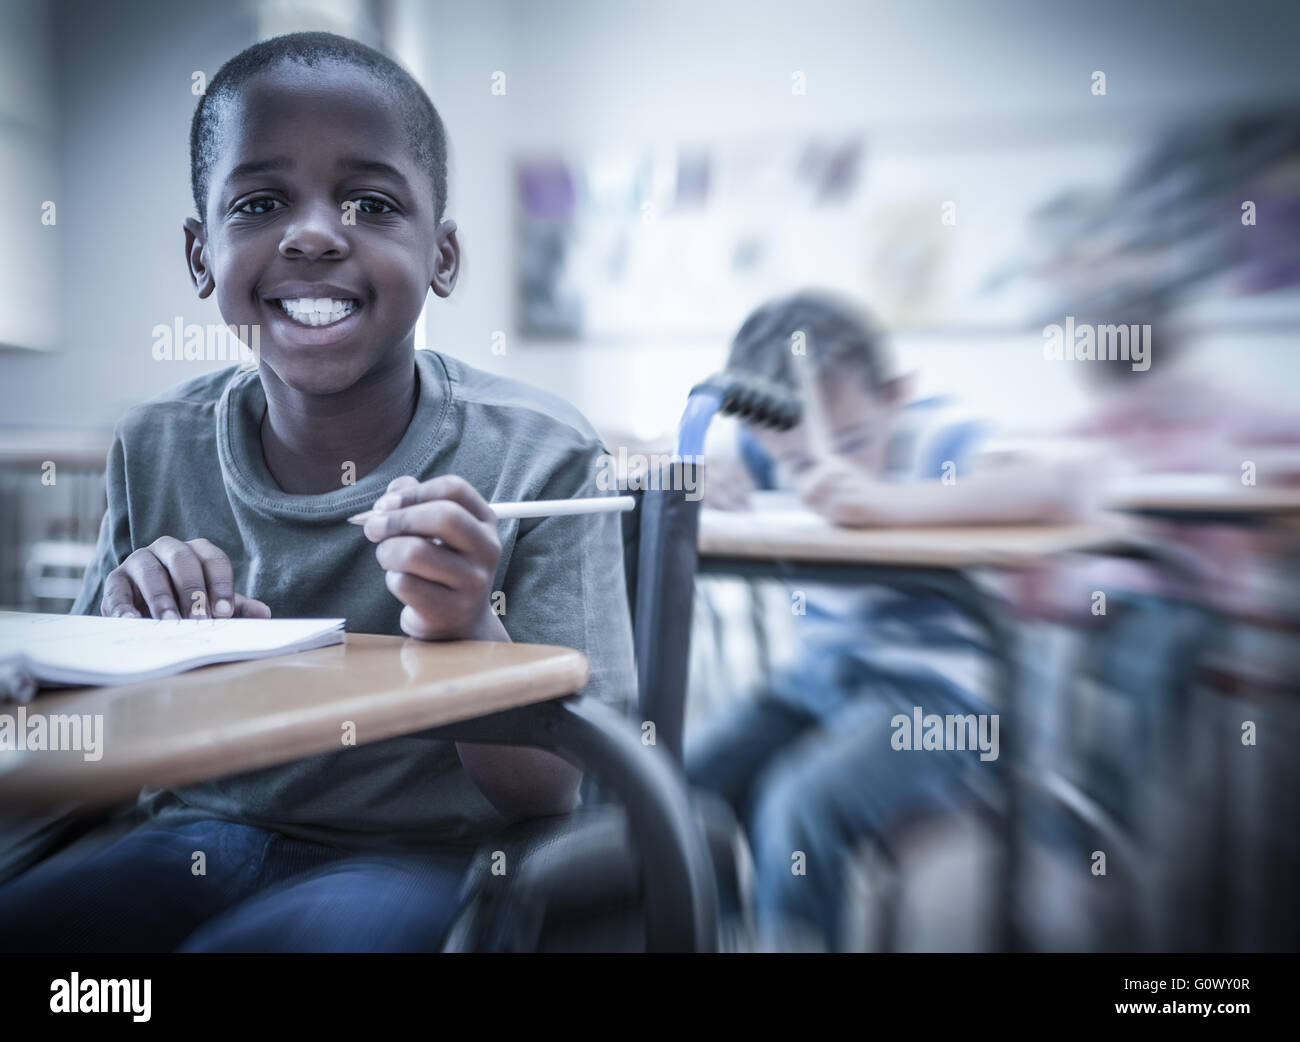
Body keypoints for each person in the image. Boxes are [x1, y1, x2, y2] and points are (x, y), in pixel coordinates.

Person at [0, 31, 634, 953]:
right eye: (259, 202)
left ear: (443, 256)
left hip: (431, 859)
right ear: (200, 254)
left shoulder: (541, 457)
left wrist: (469, 632)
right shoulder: (154, 444)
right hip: (195, 836)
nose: (312, 233)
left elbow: (559, 788)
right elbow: (83, 750)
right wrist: (134, 646)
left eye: (370, 203)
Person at [688, 290, 1079, 950]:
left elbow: (1057, 485)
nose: (829, 467)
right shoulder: (763, 447)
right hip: (823, 684)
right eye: (802, 460)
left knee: (797, 804)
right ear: (760, 431)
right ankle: (725, 936)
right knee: (680, 786)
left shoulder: (935, 436)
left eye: (851, 441)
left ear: (895, 394)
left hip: (945, 702)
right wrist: (690, 468)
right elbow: (626, 449)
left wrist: (892, 503)